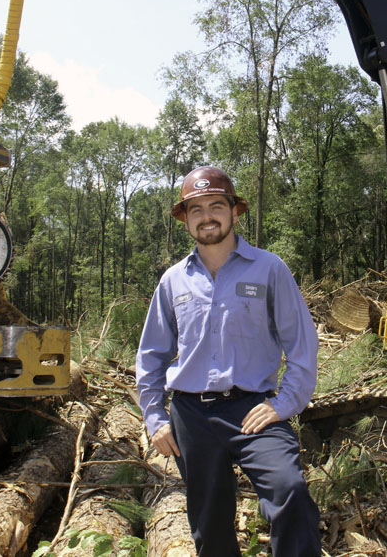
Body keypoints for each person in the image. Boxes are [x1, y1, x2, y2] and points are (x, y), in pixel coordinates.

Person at [136, 166, 321, 556]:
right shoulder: (173, 280)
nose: (207, 216)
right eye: (196, 209)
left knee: (289, 489)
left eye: (216, 206)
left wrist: (284, 403)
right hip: (191, 416)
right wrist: (155, 418)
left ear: (234, 212)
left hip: (252, 409)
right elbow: (152, 355)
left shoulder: (269, 269)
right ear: (186, 219)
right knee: (210, 526)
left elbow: (302, 345)